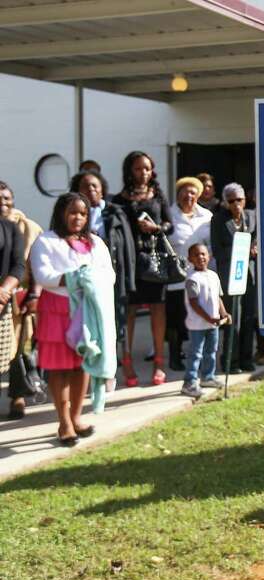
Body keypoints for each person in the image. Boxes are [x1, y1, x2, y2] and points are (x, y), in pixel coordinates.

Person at [30, 193, 114, 445]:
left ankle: (77, 417)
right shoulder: (46, 241)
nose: (78, 217)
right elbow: (43, 274)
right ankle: (64, 422)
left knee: (82, 363)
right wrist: (77, 278)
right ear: (61, 213)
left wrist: (91, 281)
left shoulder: (97, 243)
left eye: (83, 213)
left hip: (88, 309)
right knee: (61, 366)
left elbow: (109, 274)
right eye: (72, 212)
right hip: (58, 308)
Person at [111, 151, 174, 387]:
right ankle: (126, 361)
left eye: (147, 168)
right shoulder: (119, 199)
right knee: (129, 311)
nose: (143, 173)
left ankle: (159, 362)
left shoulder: (158, 195)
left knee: (158, 309)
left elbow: (170, 226)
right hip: (130, 261)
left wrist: (155, 227)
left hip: (155, 260)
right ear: (129, 171)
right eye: (138, 169)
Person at [72, 170, 135, 349]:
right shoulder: (70, 212)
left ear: (102, 189)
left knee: (113, 319)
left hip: (111, 273)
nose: (90, 189)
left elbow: (128, 246)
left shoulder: (116, 212)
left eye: (95, 185)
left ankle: (112, 357)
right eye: (85, 186)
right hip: (81, 276)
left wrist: (129, 279)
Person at [0, 180, 40, 419]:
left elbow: (26, 264)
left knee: (18, 352)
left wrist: (32, 295)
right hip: (6, 296)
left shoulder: (24, 227)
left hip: (14, 299)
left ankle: (18, 396)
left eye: (7, 198)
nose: (3, 203)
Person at [166, 177, 213, 372]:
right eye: (185, 192)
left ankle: (200, 356)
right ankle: (175, 356)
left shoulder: (207, 216)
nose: (189, 196)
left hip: (201, 277)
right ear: (178, 195)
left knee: (200, 317)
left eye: (193, 192)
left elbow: (212, 245)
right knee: (177, 319)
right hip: (177, 276)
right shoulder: (169, 214)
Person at [210, 183, 257, 373]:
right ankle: (231, 361)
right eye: (231, 200)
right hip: (230, 275)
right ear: (225, 202)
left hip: (249, 274)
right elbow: (218, 251)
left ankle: (247, 359)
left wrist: (254, 247)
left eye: (239, 199)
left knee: (248, 317)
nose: (236, 204)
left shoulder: (252, 216)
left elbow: (258, 238)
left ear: (245, 200)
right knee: (233, 318)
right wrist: (241, 248)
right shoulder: (219, 220)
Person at [182, 243, 228, 398]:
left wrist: (224, 313)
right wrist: (208, 317)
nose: (200, 257)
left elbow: (218, 297)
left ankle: (207, 377)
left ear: (209, 256)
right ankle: (189, 383)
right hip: (197, 325)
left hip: (212, 324)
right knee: (196, 354)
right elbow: (194, 303)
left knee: (211, 351)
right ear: (190, 259)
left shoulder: (213, 276)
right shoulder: (192, 279)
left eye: (203, 254)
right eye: (196, 255)